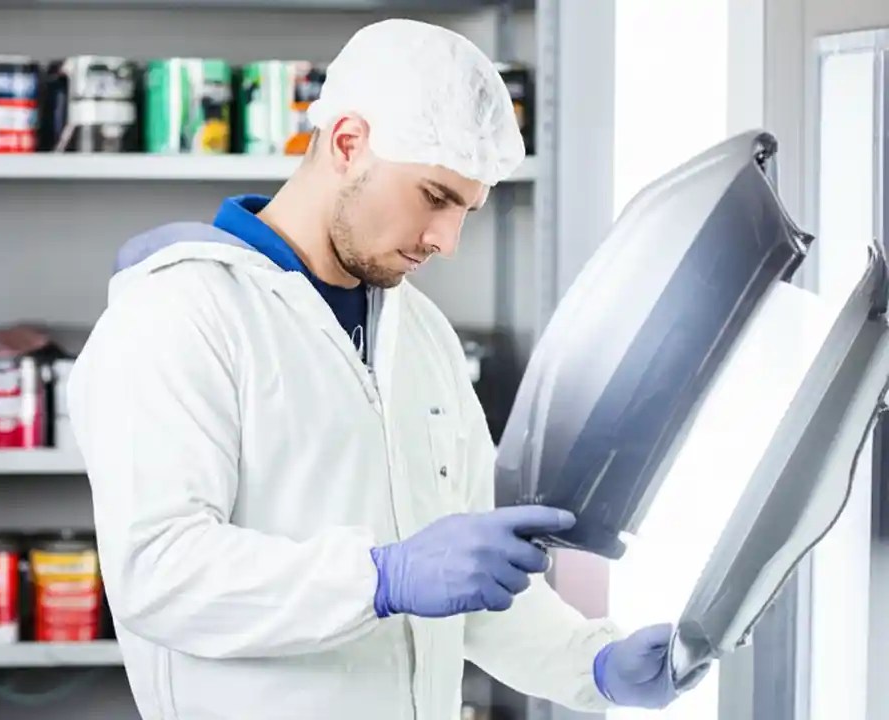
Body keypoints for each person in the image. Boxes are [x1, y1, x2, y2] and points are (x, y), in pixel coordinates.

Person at [69, 18, 695, 720]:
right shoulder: (180, 315)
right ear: (348, 143)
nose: (448, 241)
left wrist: (591, 661)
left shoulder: (419, 330)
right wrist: (379, 577)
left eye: (469, 210)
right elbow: (158, 573)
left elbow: (466, 582)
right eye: (436, 197)